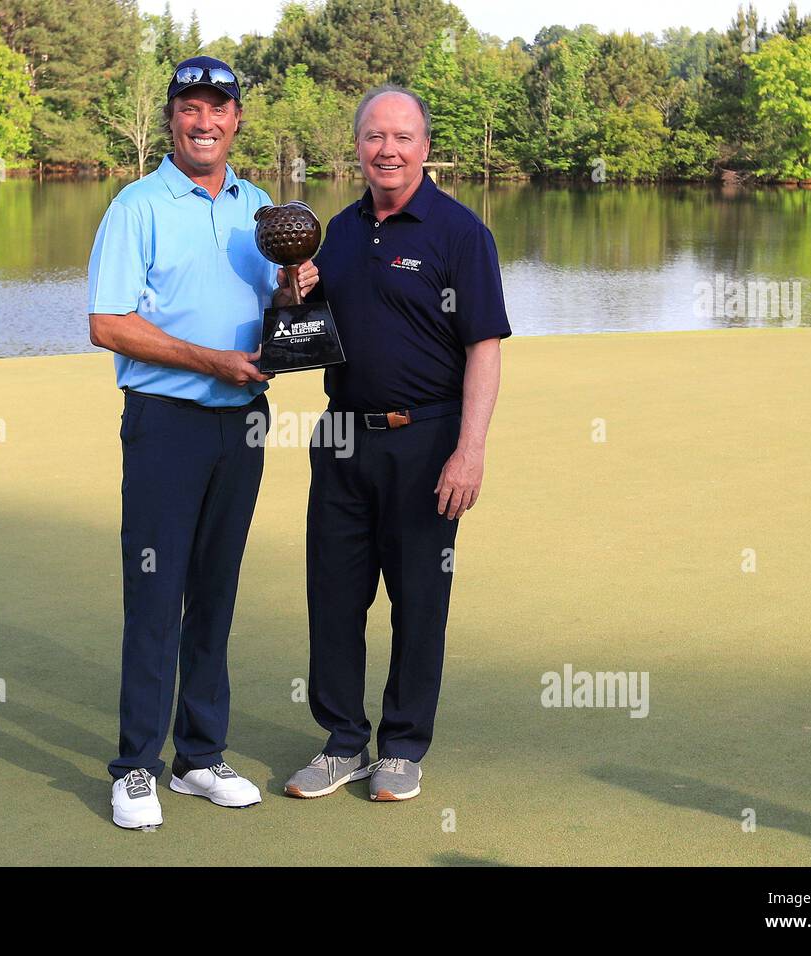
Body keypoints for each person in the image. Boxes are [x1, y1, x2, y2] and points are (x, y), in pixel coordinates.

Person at [87, 56, 317, 829]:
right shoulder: (138, 205)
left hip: (245, 421)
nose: (205, 121)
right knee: (157, 594)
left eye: (219, 108)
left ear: (237, 120)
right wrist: (209, 361)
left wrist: (292, 293)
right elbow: (109, 323)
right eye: (191, 107)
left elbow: (270, 311)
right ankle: (135, 768)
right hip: (167, 422)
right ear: (173, 119)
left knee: (215, 594)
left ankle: (199, 758)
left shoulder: (259, 209)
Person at [283, 85, 509, 802]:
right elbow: (304, 340)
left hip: (429, 440)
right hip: (344, 437)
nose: (388, 149)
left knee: (418, 600)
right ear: (357, 146)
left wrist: (469, 451)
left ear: (425, 146)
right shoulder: (336, 233)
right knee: (335, 596)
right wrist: (294, 293)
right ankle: (343, 742)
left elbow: (484, 347)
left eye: (403, 137)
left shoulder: (458, 232)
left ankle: (403, 746)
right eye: (375, 136)